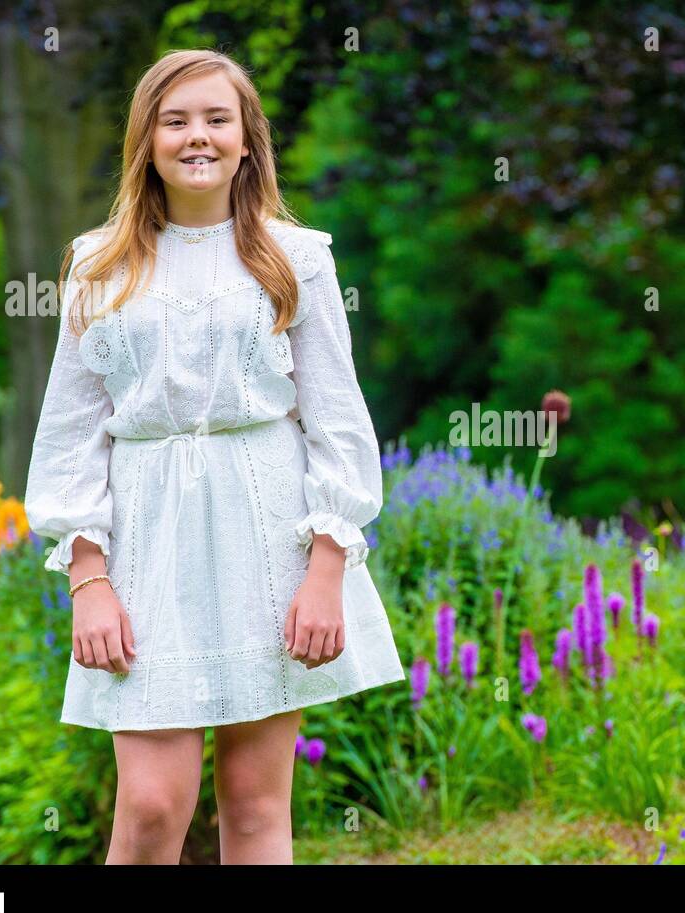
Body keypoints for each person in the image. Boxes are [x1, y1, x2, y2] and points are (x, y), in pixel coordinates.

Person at [24, 48, 405, 865]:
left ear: (245, 138)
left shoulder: (294, 258)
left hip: (268, 540)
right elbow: (69, 433)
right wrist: (88, 578)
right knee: (154, 806)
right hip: (145, 549)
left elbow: (338, 421)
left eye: (216, 118)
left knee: (257, 803)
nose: (197, 136)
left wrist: (327, 568)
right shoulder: (99, 265)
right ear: (148, 140)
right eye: (176, 119)